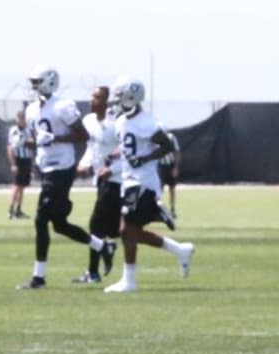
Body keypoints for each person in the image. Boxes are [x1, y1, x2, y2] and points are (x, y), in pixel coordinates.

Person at [17, 65, 117, 290]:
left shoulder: (62, 105)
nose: (33, 86)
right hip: (47, 169)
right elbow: (39, 140)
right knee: (59, 225)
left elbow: (82, 135)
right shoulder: (32, 109)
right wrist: (28, 144)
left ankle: (39, 277)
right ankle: (102, 246)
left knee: (40, 220)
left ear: (49, 81)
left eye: (37, 81)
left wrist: (55, 138)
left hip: (62, 168)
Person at [103, 76, 194, 293]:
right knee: (129, 232)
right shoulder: (121, 122)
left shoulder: (147, 122)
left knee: (127, 230)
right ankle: (179, 249)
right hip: (129, 181)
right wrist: (115, 155)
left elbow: (167, 145)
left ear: (131, 97)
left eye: (119, 96)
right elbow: (129, 146)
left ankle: (129, 281)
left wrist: (145, 159)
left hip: (143, 182)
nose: (115, 100)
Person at [73, 85, 121, 284]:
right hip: (101, 180)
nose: (92, 100)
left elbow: (127, 150)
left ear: (107, 101)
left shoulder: (116, 122)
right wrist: (83, 163)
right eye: (92, 97)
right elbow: (91, 148)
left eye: (97, 97)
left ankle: (93, 272)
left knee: (96, 225)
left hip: (117, 180)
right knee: (115, 229)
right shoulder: (88, 121)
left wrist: (113, 169)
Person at [6, 109, 33, 219]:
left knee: (22, 186)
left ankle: (18, 210)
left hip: (27, 159)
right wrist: (13, 164)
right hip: (19, 160)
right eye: (20, 119)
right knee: (17, 186)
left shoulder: (28, 130)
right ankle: (10, 209)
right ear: (17, 120)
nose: (22, 121)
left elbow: (32, 144)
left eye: (23, 119)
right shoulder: (14, 131)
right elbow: (10, 147)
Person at [157, 128, 182, 218]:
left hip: (170, 165)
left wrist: (176, 167)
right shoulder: (155, 138)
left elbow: (177, 152)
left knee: (172, 188)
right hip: (160, 166)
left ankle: (172, 209)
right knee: (158, 190)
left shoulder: (171, 137)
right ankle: (158, 211)